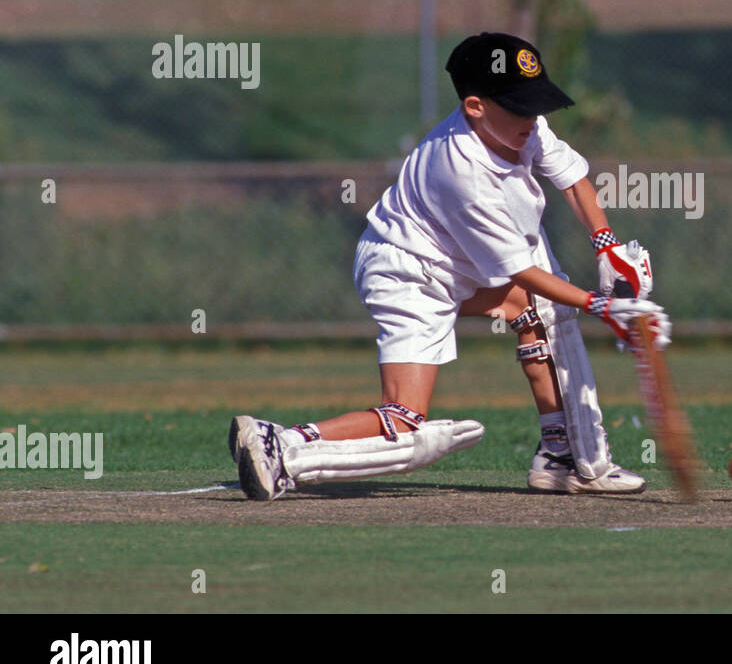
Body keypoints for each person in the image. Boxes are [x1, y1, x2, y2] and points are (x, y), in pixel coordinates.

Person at [228, 32, 669, 501]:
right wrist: (602, 305)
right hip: (406, 272)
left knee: (542, 313)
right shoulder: (462, 173)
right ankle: (284, 444)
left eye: (535, 103)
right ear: (476, 106)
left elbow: (572, 177)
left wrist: (607, 245)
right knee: (404, 418)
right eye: (518, 106)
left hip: (451, 262)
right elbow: (520, 272)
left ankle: (562, 457)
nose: (532, 117)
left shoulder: (523, 126)